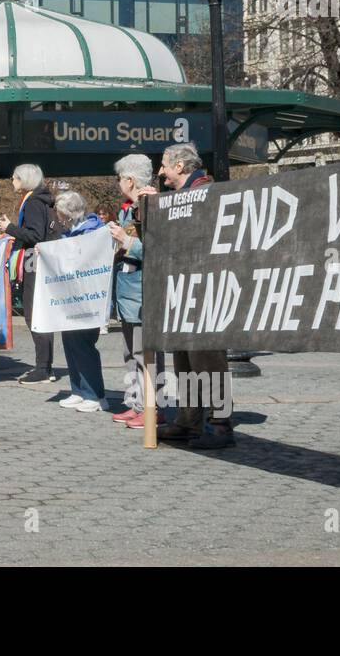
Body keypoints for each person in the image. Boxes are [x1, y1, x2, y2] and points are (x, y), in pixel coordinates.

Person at [155, 143, 235, 449]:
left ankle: (220, 423)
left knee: (209, 358)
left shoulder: (206, 192)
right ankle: (188, 420)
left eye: (164, 164)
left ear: (179, 166)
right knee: (185, 359)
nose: (160, 171)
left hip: (206, 289)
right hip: (182, 290)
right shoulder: (176, 197)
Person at [106, 154, 165, 430]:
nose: (118, 183)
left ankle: (153, 407)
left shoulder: (149, 204)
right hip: (127, 293)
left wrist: (125, 240)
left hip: (142, 292)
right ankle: (135, 404)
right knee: (131, 354)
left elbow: (156, 247)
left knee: (146, 354)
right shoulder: (128, 208)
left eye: (119, 178)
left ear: (129, 179)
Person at [0, 163, 57, 384]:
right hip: (37, 261)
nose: (12, 181)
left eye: (14, 178)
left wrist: (10, 228)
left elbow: (35, 235)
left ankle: (43, 368)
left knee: (35, 315)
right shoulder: (39, 201)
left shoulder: (32, 203)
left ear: (24, 181)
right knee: (38, 315)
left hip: (34, 263)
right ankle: (45, 365)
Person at [52, 191, 108, 413]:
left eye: (59, 213)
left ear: (66, 213)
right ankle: (79, 390)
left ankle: (95, 395)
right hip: (70, 299)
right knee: (70, 344)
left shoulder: (93, 231)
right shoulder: (69, 233)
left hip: (87, 300)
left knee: (84, 346)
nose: (57, 217)